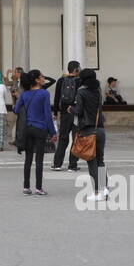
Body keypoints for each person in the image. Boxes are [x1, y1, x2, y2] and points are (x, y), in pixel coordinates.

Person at [14, 70, 55, 195]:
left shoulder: (25, 94)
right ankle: (38, 188)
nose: (44, 78)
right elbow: (48, 115)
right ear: (37, 80)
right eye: (42, 76)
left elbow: (16, 109)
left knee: (28, 159)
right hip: (40, 128)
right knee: (39, 160)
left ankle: (26, 187)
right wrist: (53, 131)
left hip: (27, 128)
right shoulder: (44, 94)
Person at [74, 69, 108, 202]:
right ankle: (105, 189)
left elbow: (79, 110)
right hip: (100, 129)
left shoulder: (81, 92)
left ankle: (96, 192)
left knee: (91, 161)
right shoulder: (98, 91)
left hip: (88, 130)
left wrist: (71, 109)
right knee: (100, 160)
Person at [52, 61, 81, 170]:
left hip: (64, 113)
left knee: (63, 138)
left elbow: (56, 98)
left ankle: (57, 164)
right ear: (76, 70)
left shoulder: (61, 80)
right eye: (79, 68)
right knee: (75, 139)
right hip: (76, 114)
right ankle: (72, 165)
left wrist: (55, 113)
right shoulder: (80, 81)